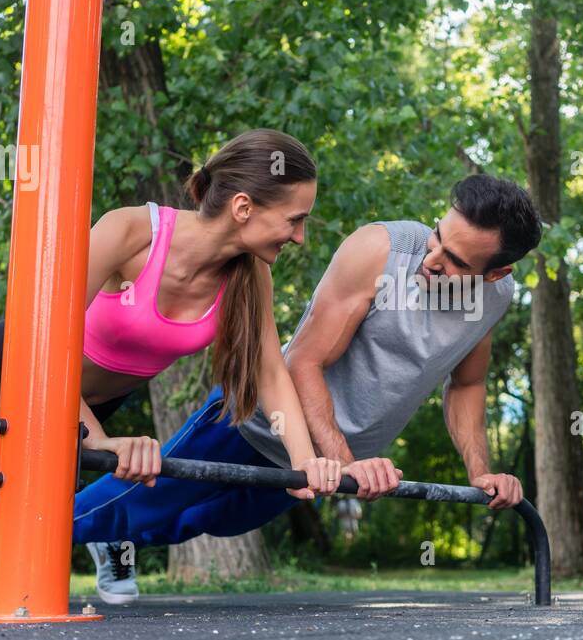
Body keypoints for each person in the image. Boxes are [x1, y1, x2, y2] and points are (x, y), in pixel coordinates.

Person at [0, 129, 343, 606]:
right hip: (16, 360)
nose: (299, 237)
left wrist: (301, 464)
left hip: (91, 396)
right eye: (295, 220)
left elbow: (270, 374)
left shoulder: (248, 279)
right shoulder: (133, 232)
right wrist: (97, 441)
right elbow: (45, 336)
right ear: (244, 206)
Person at [74, 174, 544, 604]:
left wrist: (480, 472)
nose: (432, 260)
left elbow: (467, 383)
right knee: (135, 502)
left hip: (321, 459)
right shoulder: (380, 250)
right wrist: (342, 462)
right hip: (256, 423)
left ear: (495, 274)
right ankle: (24, 547)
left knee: (206, 522)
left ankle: (116, 540)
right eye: (437, 236)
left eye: (455, 262)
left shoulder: (494, 298)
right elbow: (304, 360)